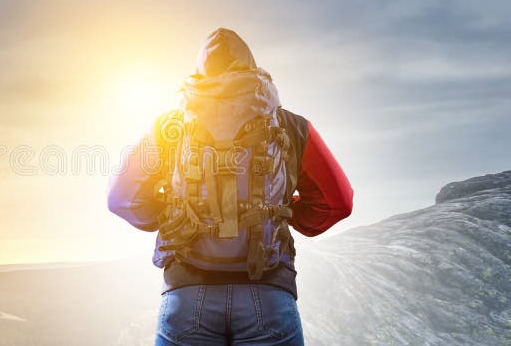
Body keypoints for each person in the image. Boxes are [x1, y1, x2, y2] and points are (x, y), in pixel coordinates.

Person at [107, 28, 353, 346]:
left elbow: (121, 198)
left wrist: (171, 211)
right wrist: (284, 210)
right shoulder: (293, 127)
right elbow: (339, 202)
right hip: (268, 295)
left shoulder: (167, 129)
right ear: (254, 72)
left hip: (187, 297)